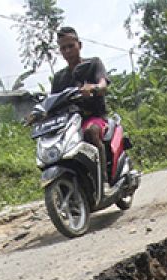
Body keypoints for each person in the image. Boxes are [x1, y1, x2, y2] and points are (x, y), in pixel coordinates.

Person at [51, 26, 111, 187]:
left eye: (71, 46)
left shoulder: (93, 64)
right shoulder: (59, 78)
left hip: (94, 117)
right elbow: (53, 102)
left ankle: (103, 180)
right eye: (63, 48)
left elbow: (103, 84)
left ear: (80, 45)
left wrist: (94, 88)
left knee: (91, 132)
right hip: (70, 123)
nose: (67, 51)